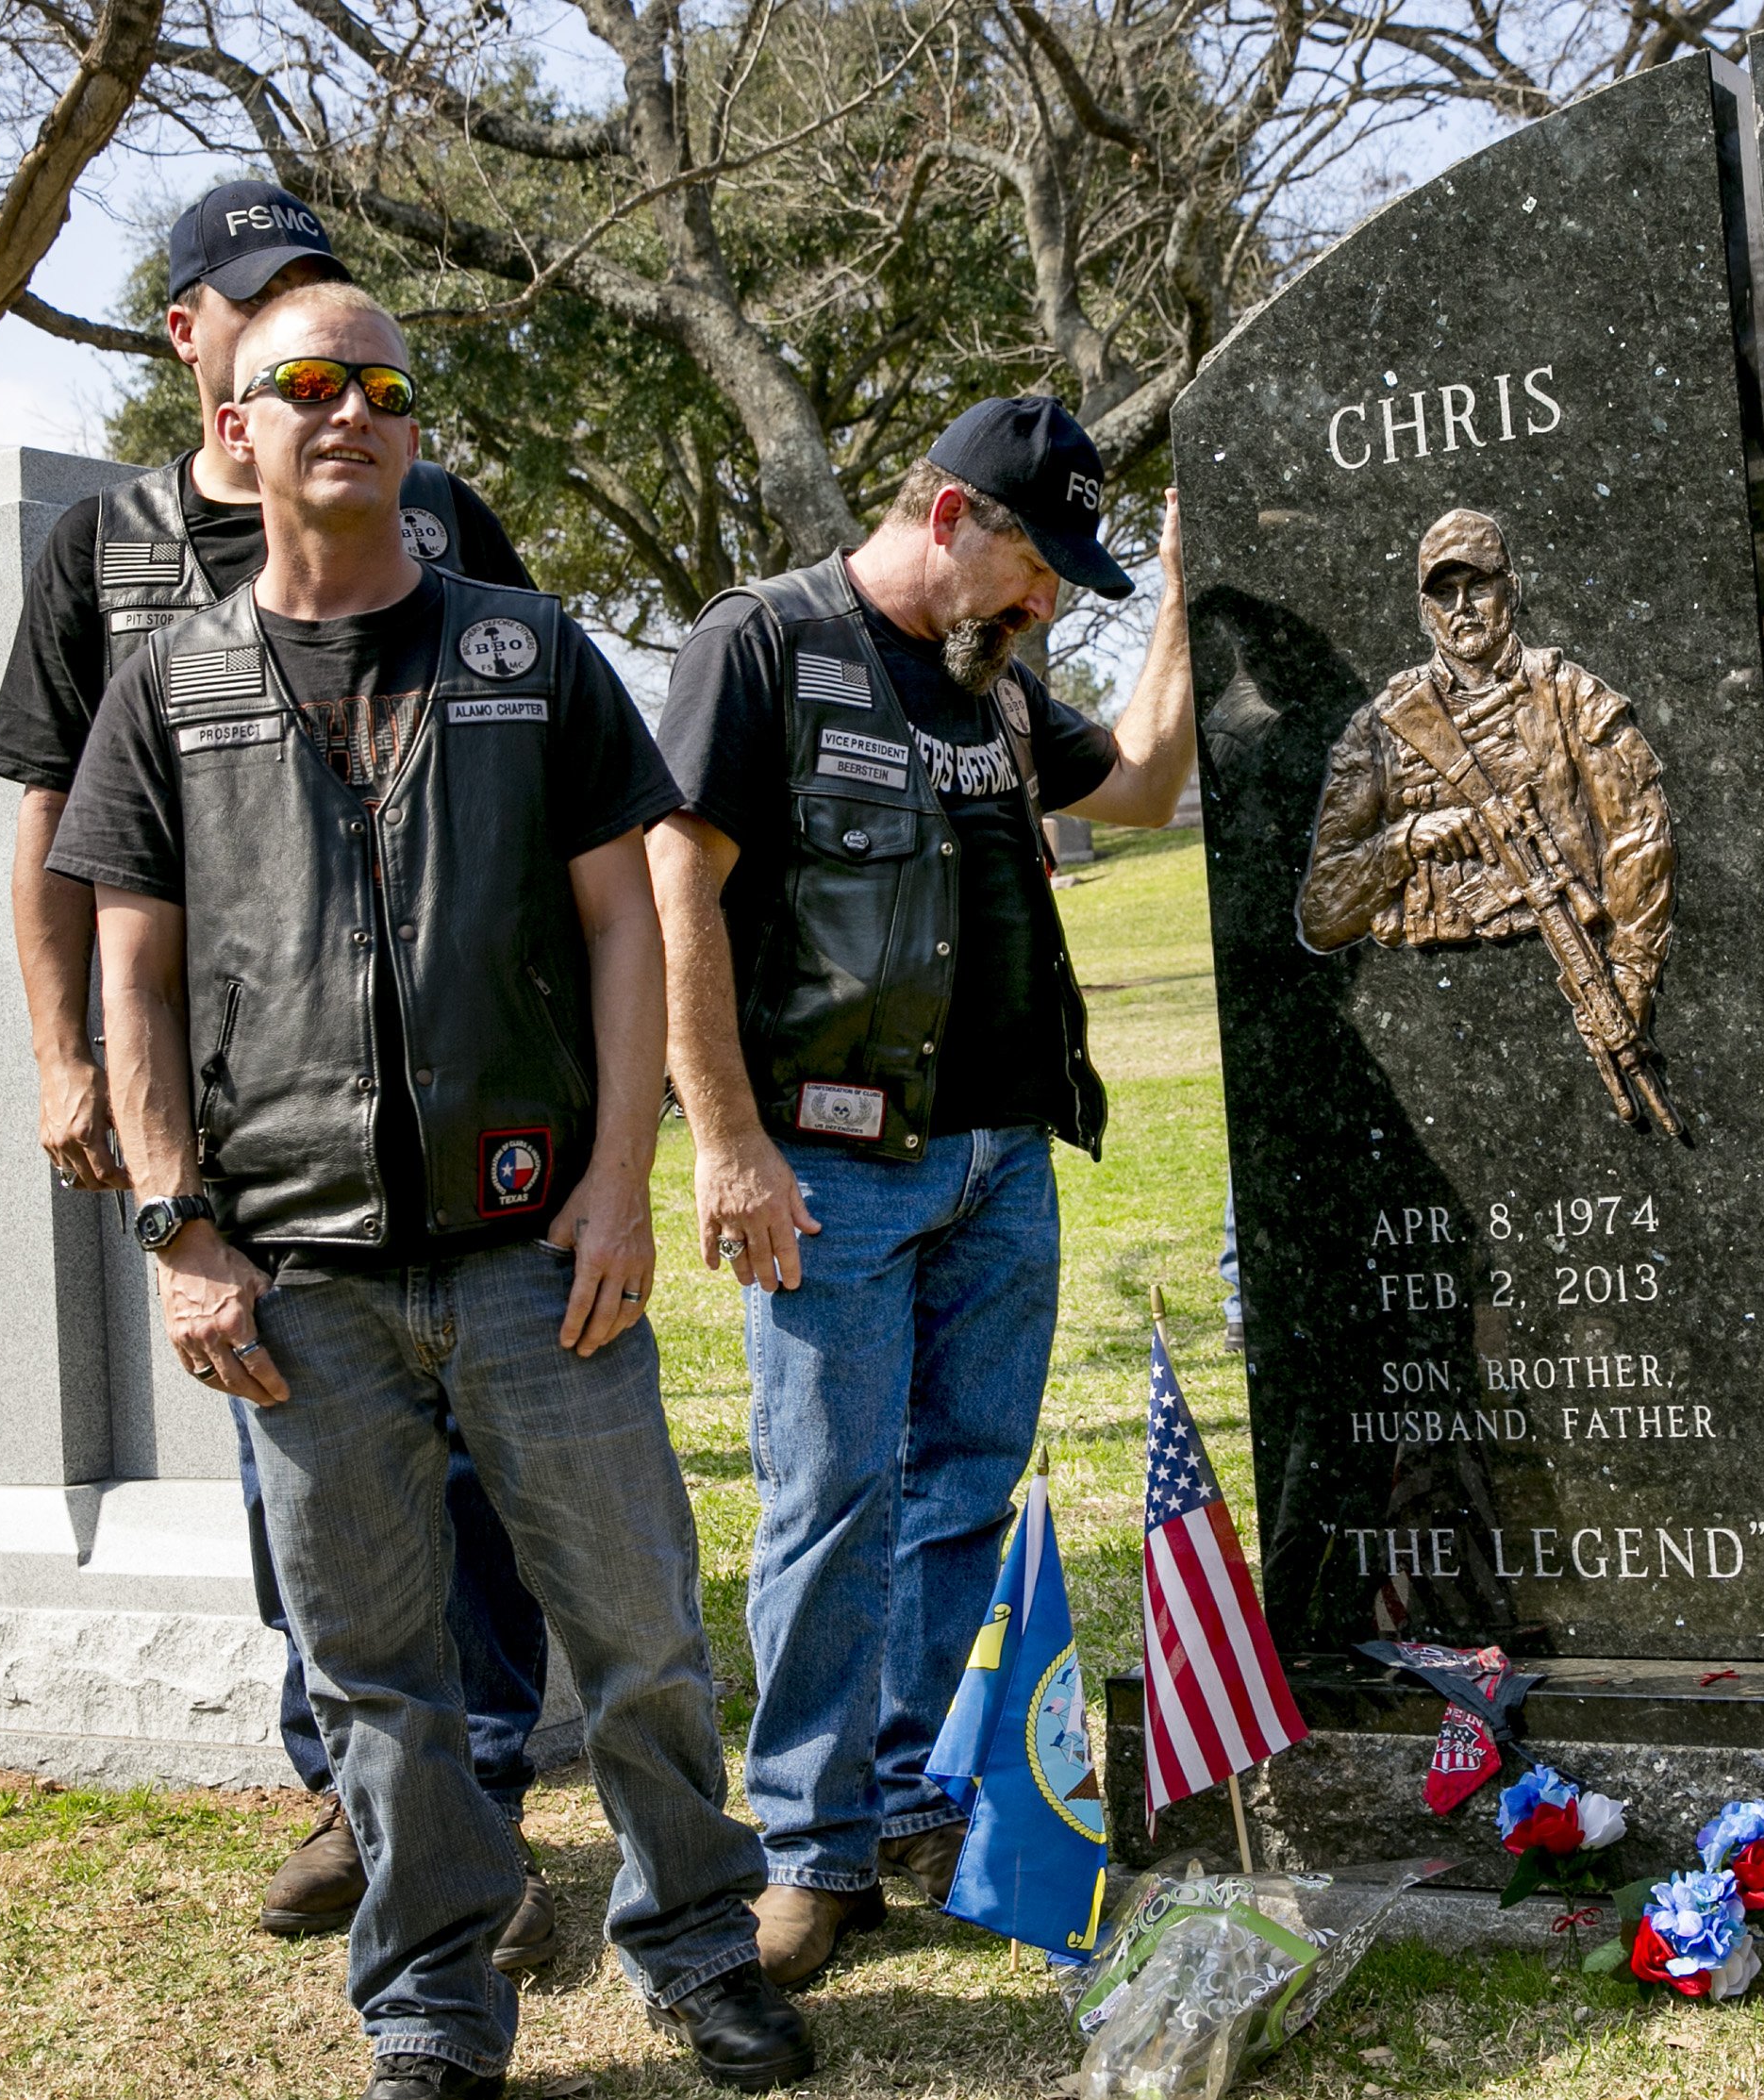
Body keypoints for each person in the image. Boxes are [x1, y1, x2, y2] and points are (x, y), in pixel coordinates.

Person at [51, 277, 807, 2099]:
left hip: (533, 1259)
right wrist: (178, 1230)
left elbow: (626, 924)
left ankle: (700, 1945)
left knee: (638, 1637)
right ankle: (433, 2005)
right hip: (299, 1288)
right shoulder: (170, 685)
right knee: (380, 1681)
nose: (349, 411)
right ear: (232, 426)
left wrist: (620, 1183)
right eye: (302, 382)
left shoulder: (530, 653)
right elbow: (131, 974)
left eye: (382, 384)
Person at [0, 178, 557, 1961]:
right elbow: (45, 825)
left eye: (338, 312)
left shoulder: (439, 508)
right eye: (270, 306)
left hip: (450, 1097)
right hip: (244, 1104)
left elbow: (535, 767)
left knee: (477, 1466)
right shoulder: (111, 555)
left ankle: (480, 1784)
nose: (331, 369)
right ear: (191, 343)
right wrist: (63, 1047)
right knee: (285, 1458)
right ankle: (350, 1781)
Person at [648, 395, 1192, 1985]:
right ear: (949, 517)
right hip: (830, 1167)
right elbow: (679, 880)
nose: (1043, 608)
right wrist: (728, 1139)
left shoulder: (1000, 688)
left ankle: (895, 1797)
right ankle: (808, 1847)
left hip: (1003, 1161)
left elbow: (1148, 788)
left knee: (959, 1483)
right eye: (1034, 567)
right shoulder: (760, 646)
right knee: (830, 1501)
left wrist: (1178, 587)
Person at [1296, 507, 1675, 1132]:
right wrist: (1407, 840)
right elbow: (1323, 913)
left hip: (1569, 969)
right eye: (1443, 593)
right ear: (1424, 612)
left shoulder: (1569, 694)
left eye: (1480, 586)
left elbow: (1640, 838)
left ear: (1513, 590)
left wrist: (1624, 983)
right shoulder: (1379, 731)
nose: (1463, 607)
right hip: (1430, 1017)